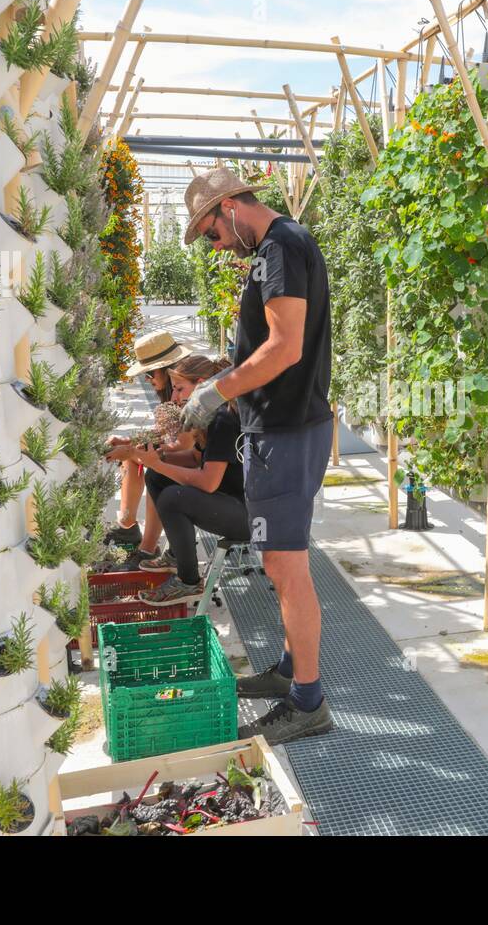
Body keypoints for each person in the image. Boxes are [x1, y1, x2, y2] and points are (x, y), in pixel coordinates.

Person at [179, 166, 334, 744]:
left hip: (286, 434)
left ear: (229, 210)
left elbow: (285, 346)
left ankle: (308, 701)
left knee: (286, 568)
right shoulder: (280, 246)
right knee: (280, 563)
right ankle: (294, 670)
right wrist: (221, 384)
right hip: (284, 431)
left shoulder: (279, 248)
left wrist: (218, 390)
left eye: (213, 235)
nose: (217, 248)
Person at [115, 354, 250, 605]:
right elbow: (193, 459)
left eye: (179, 389)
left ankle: (188, 582)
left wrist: (155, 461)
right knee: (157, 477)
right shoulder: (212, 415)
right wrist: (153, 457)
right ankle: (178, 555)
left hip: (246, 517)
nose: (174, 397)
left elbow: (208, 482)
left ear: (200, 384)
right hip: (231, 504)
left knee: (172, 498)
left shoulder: (222, 418)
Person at [103, 330, 194, 570]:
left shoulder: (187, 393)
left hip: (198, 462)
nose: (148, 380)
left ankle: (147, 547)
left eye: (150, 373)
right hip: (183, 456)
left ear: (166, 369)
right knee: (132, 459)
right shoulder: (170, 394)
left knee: (154, 470)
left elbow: (184, 444)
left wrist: (135, 450)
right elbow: (160, 436)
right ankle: (127, 526)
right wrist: (129, 443)